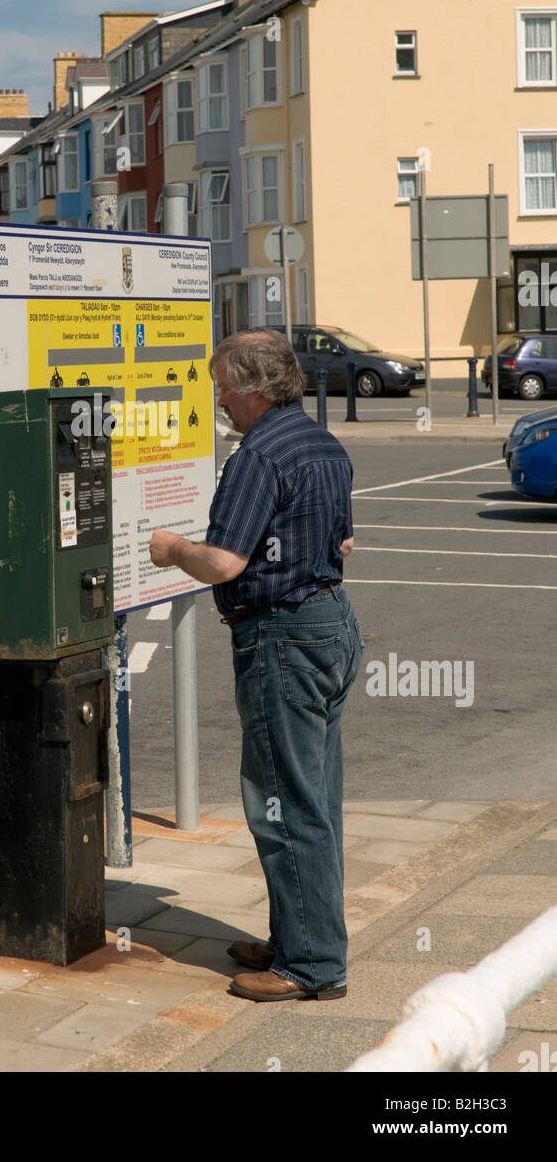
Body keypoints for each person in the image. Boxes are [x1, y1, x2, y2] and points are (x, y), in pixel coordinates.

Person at [149, 329, 363, 1003]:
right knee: (313, 797)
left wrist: (170, 547)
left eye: (219, 387)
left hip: (281, 637)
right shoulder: (322, 443)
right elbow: (345, 541)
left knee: (283, 805)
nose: (217, 398)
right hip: (330, 623)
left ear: (248, 389)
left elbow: (223, 562)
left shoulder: (257, 457)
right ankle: (298, 937)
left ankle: (311, 967)